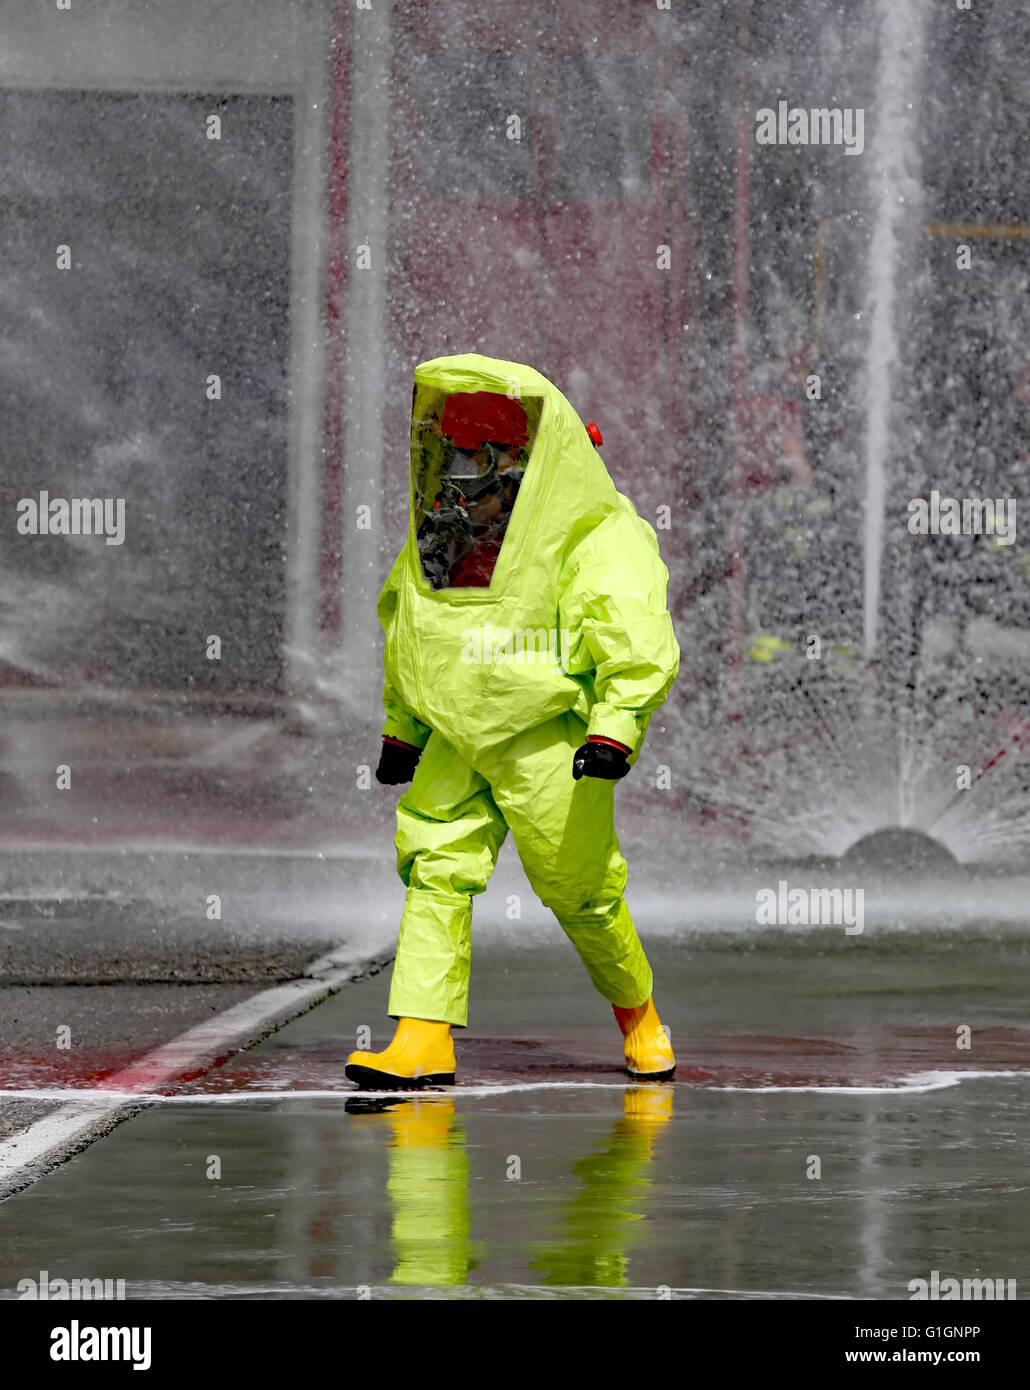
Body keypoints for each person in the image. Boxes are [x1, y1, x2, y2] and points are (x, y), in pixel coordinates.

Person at [346, 353, 680, 1089]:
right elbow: (410, 625)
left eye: (481, 455)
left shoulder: (593, 535)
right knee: (435, 867)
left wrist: (614, 728)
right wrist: (403, 725)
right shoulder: (443, 536)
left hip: (548, 742)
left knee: (582, 892)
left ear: (523, 461)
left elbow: (633, 633)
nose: (464, 471)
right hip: (459, 736)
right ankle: (423, 1038)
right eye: (457, 452)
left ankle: (640, 1016)